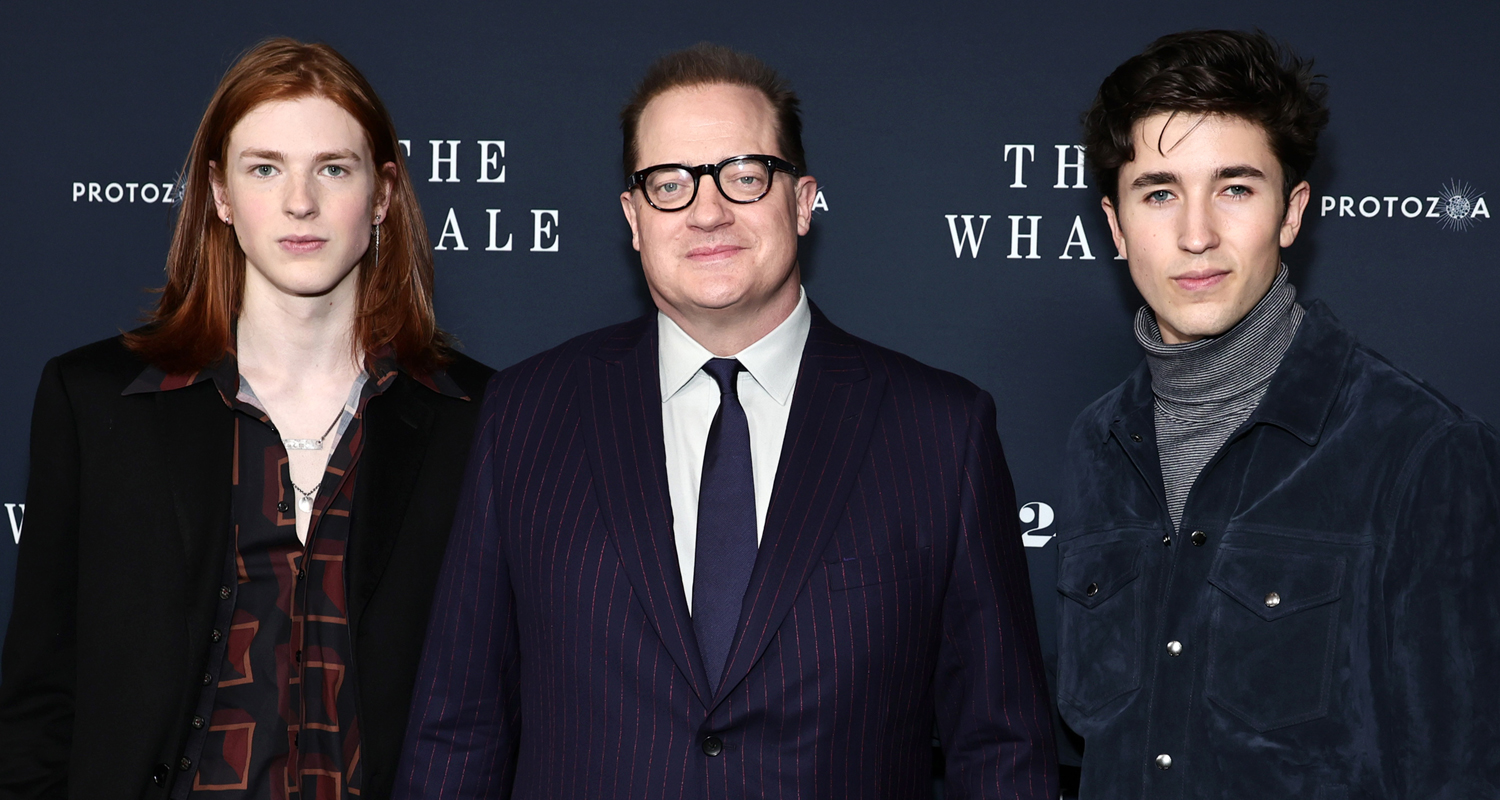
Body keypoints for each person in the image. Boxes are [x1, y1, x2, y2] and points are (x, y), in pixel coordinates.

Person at [396, 43, 1056, 800]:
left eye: (745, 176)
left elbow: (1001, 746)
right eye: (669, 184)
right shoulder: (526, 413)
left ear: (802, 202)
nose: (707, 211)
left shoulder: (940, 431)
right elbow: (458, 728)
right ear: (634, 218)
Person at [0, 38, 494, 800]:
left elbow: (498, 706)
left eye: (334, 169)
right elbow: (39, 698)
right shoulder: (95, 402)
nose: (301, 203)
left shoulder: (478, 416)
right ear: (220, 195)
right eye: (265, 168)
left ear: (384, 195)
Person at [1055, 29, 1500, 798]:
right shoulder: (1097, 443)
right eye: (1159, 193)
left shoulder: (1424, 452)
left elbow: (1461, 770)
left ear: (1291, 213)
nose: (1197, 235)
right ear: (1117, 227)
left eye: (1235, 188)